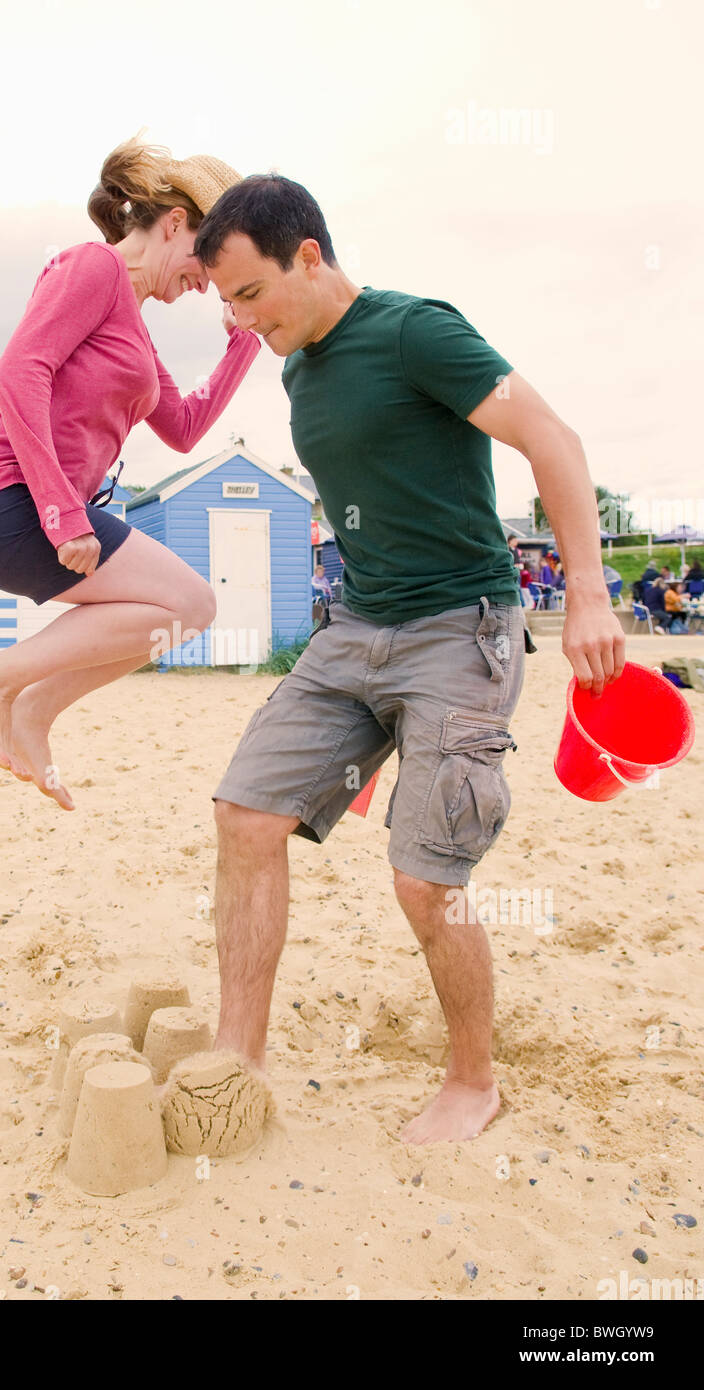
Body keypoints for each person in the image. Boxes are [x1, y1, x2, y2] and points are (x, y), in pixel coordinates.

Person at [192, 173, 624, 1145]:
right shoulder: (297, 361)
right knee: (244, 816)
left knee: (423, 882)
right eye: (230, 305)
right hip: (355, 631)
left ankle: (473, 1081)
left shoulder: (414, 331)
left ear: (310, 257)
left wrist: (587, 592)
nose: (244, 322)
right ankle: (238, 1057)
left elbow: (550, 436)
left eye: (252, 296)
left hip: (457, 630)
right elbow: (223, 229)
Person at [0, 134, 260, 805]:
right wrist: (62, 512)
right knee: (189, 602)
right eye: (209, 258)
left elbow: (185, 428)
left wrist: (243, 343)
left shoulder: (133, 328)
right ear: (175, 224)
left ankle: (35, 709)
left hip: (21, 509)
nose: (209, 281)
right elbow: (19, 371)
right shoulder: (92, 268)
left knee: (172, 612)